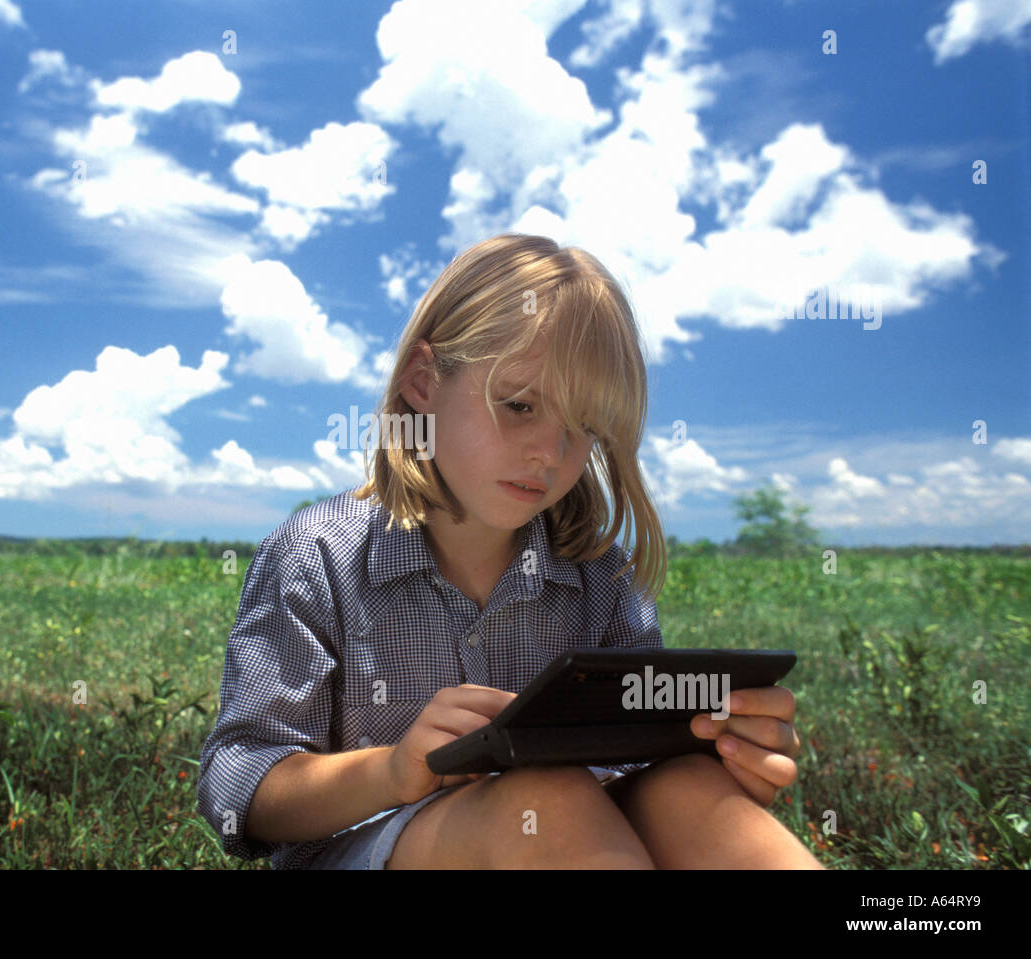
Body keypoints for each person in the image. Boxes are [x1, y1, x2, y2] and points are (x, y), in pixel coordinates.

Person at [196, 233, 823, 869]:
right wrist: (390, 771)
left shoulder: (597, 574)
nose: (549, 455)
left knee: (691, 793)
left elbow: (634, 762)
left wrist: (723, 751)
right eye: (519, 405)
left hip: (573, 835)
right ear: (422, 382)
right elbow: (238, 786)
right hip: (366, 845)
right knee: (543, 798)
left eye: (582, 427)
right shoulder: (316, 555)